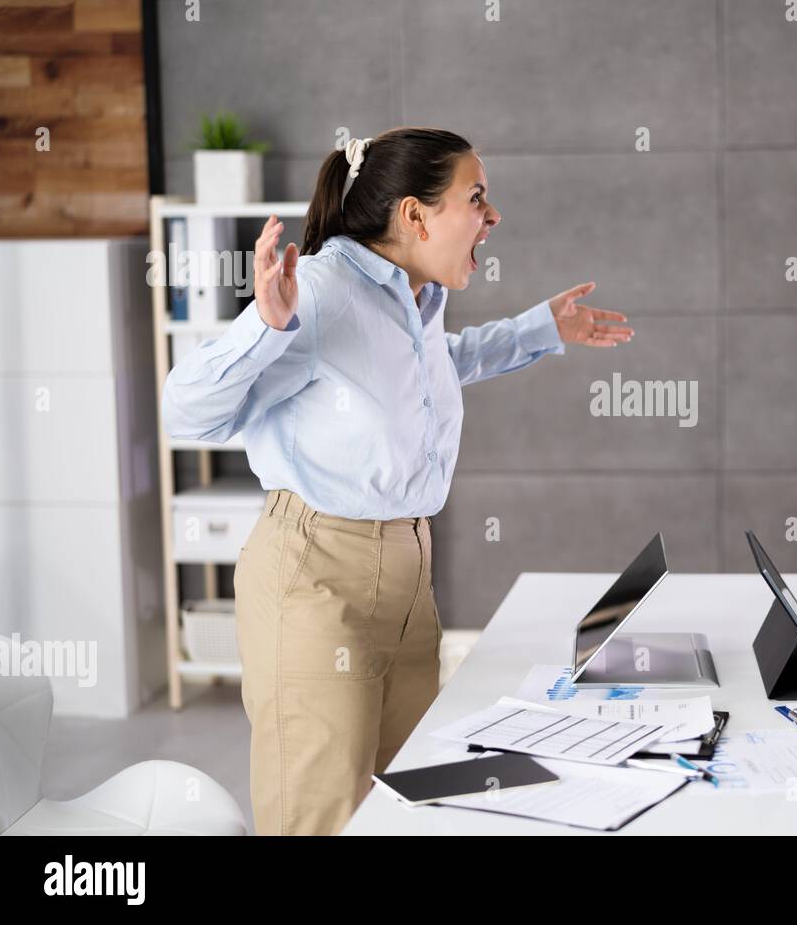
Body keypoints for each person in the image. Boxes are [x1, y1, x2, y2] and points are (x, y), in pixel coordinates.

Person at [162, 128, 633, 834]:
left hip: (409, 585)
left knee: (404, 810)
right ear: (415, 216)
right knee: (318, 818)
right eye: (476, 198)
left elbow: (430, 367)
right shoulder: (318, 291)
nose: (493, 216)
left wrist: (541, 329)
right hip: (316, 579)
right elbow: (184, 410)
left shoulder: (412, 299)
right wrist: (264, 323)